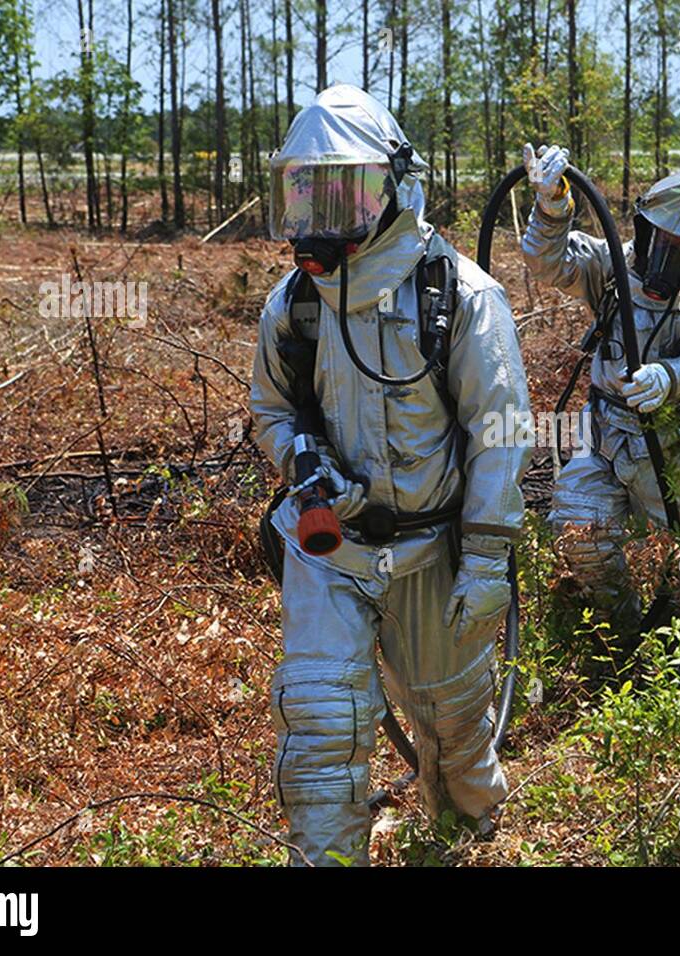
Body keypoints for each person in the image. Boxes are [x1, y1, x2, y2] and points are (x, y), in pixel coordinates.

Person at [250, 84, 533, 866]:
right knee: (320, 723)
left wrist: (485, 562)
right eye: (305, 195)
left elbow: (501, 435)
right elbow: (271, 408)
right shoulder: (295, 305)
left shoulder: (463, 299)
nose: (318, 218)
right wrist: (299, 460)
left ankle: (465, 836)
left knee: (451, 726)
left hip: (431, 551)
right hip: (330, 549)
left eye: (338, 194)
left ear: (390, 186)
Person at [520, 143, 680, 666]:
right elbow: (546, 262)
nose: (668, 254)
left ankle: (678, 651)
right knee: (579, 531)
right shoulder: (611, 266)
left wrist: (671, 376)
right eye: (662, 239)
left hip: (675, 447)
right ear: (643, 229)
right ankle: (622, 637)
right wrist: (552, 207)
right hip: (604, 436)